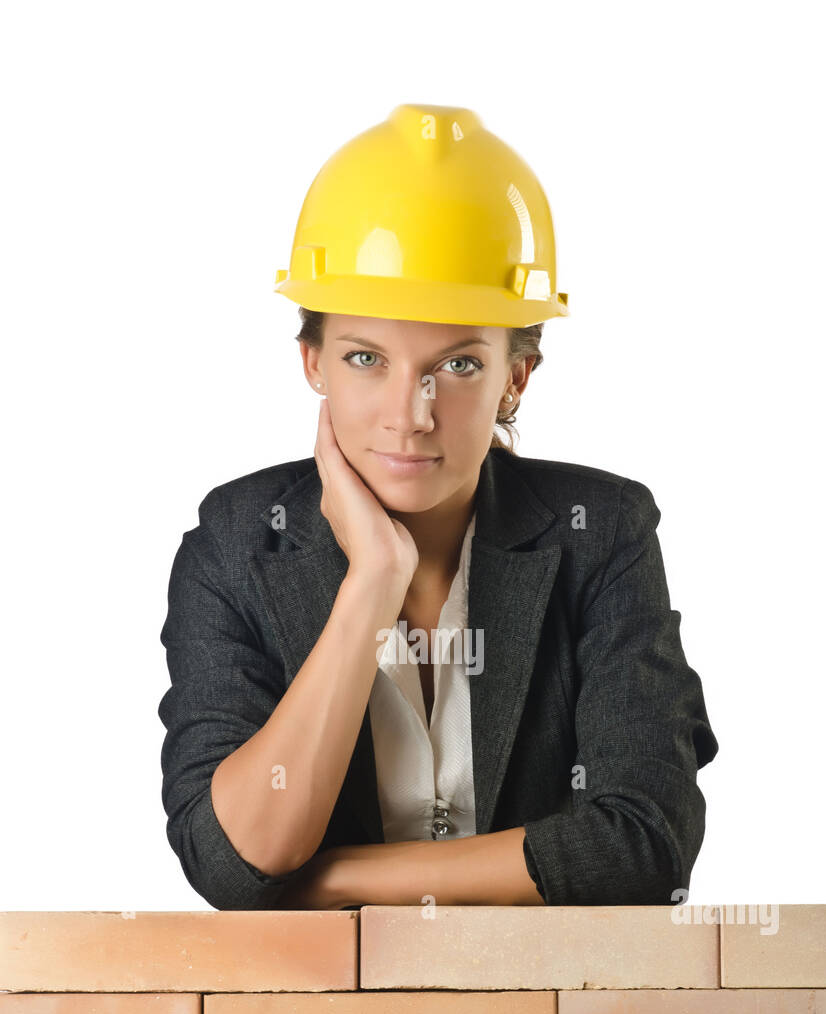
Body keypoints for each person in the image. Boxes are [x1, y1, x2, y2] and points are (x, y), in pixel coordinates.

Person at [157, 104, 718, 911]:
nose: (410, 411)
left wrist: (329, 880)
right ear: (311, 362)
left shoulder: (601, 533)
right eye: (364, 358)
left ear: (514, 377)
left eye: (456, 364)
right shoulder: (239, 545)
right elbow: (234, 857)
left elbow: (641, 846)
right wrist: (372, 584)